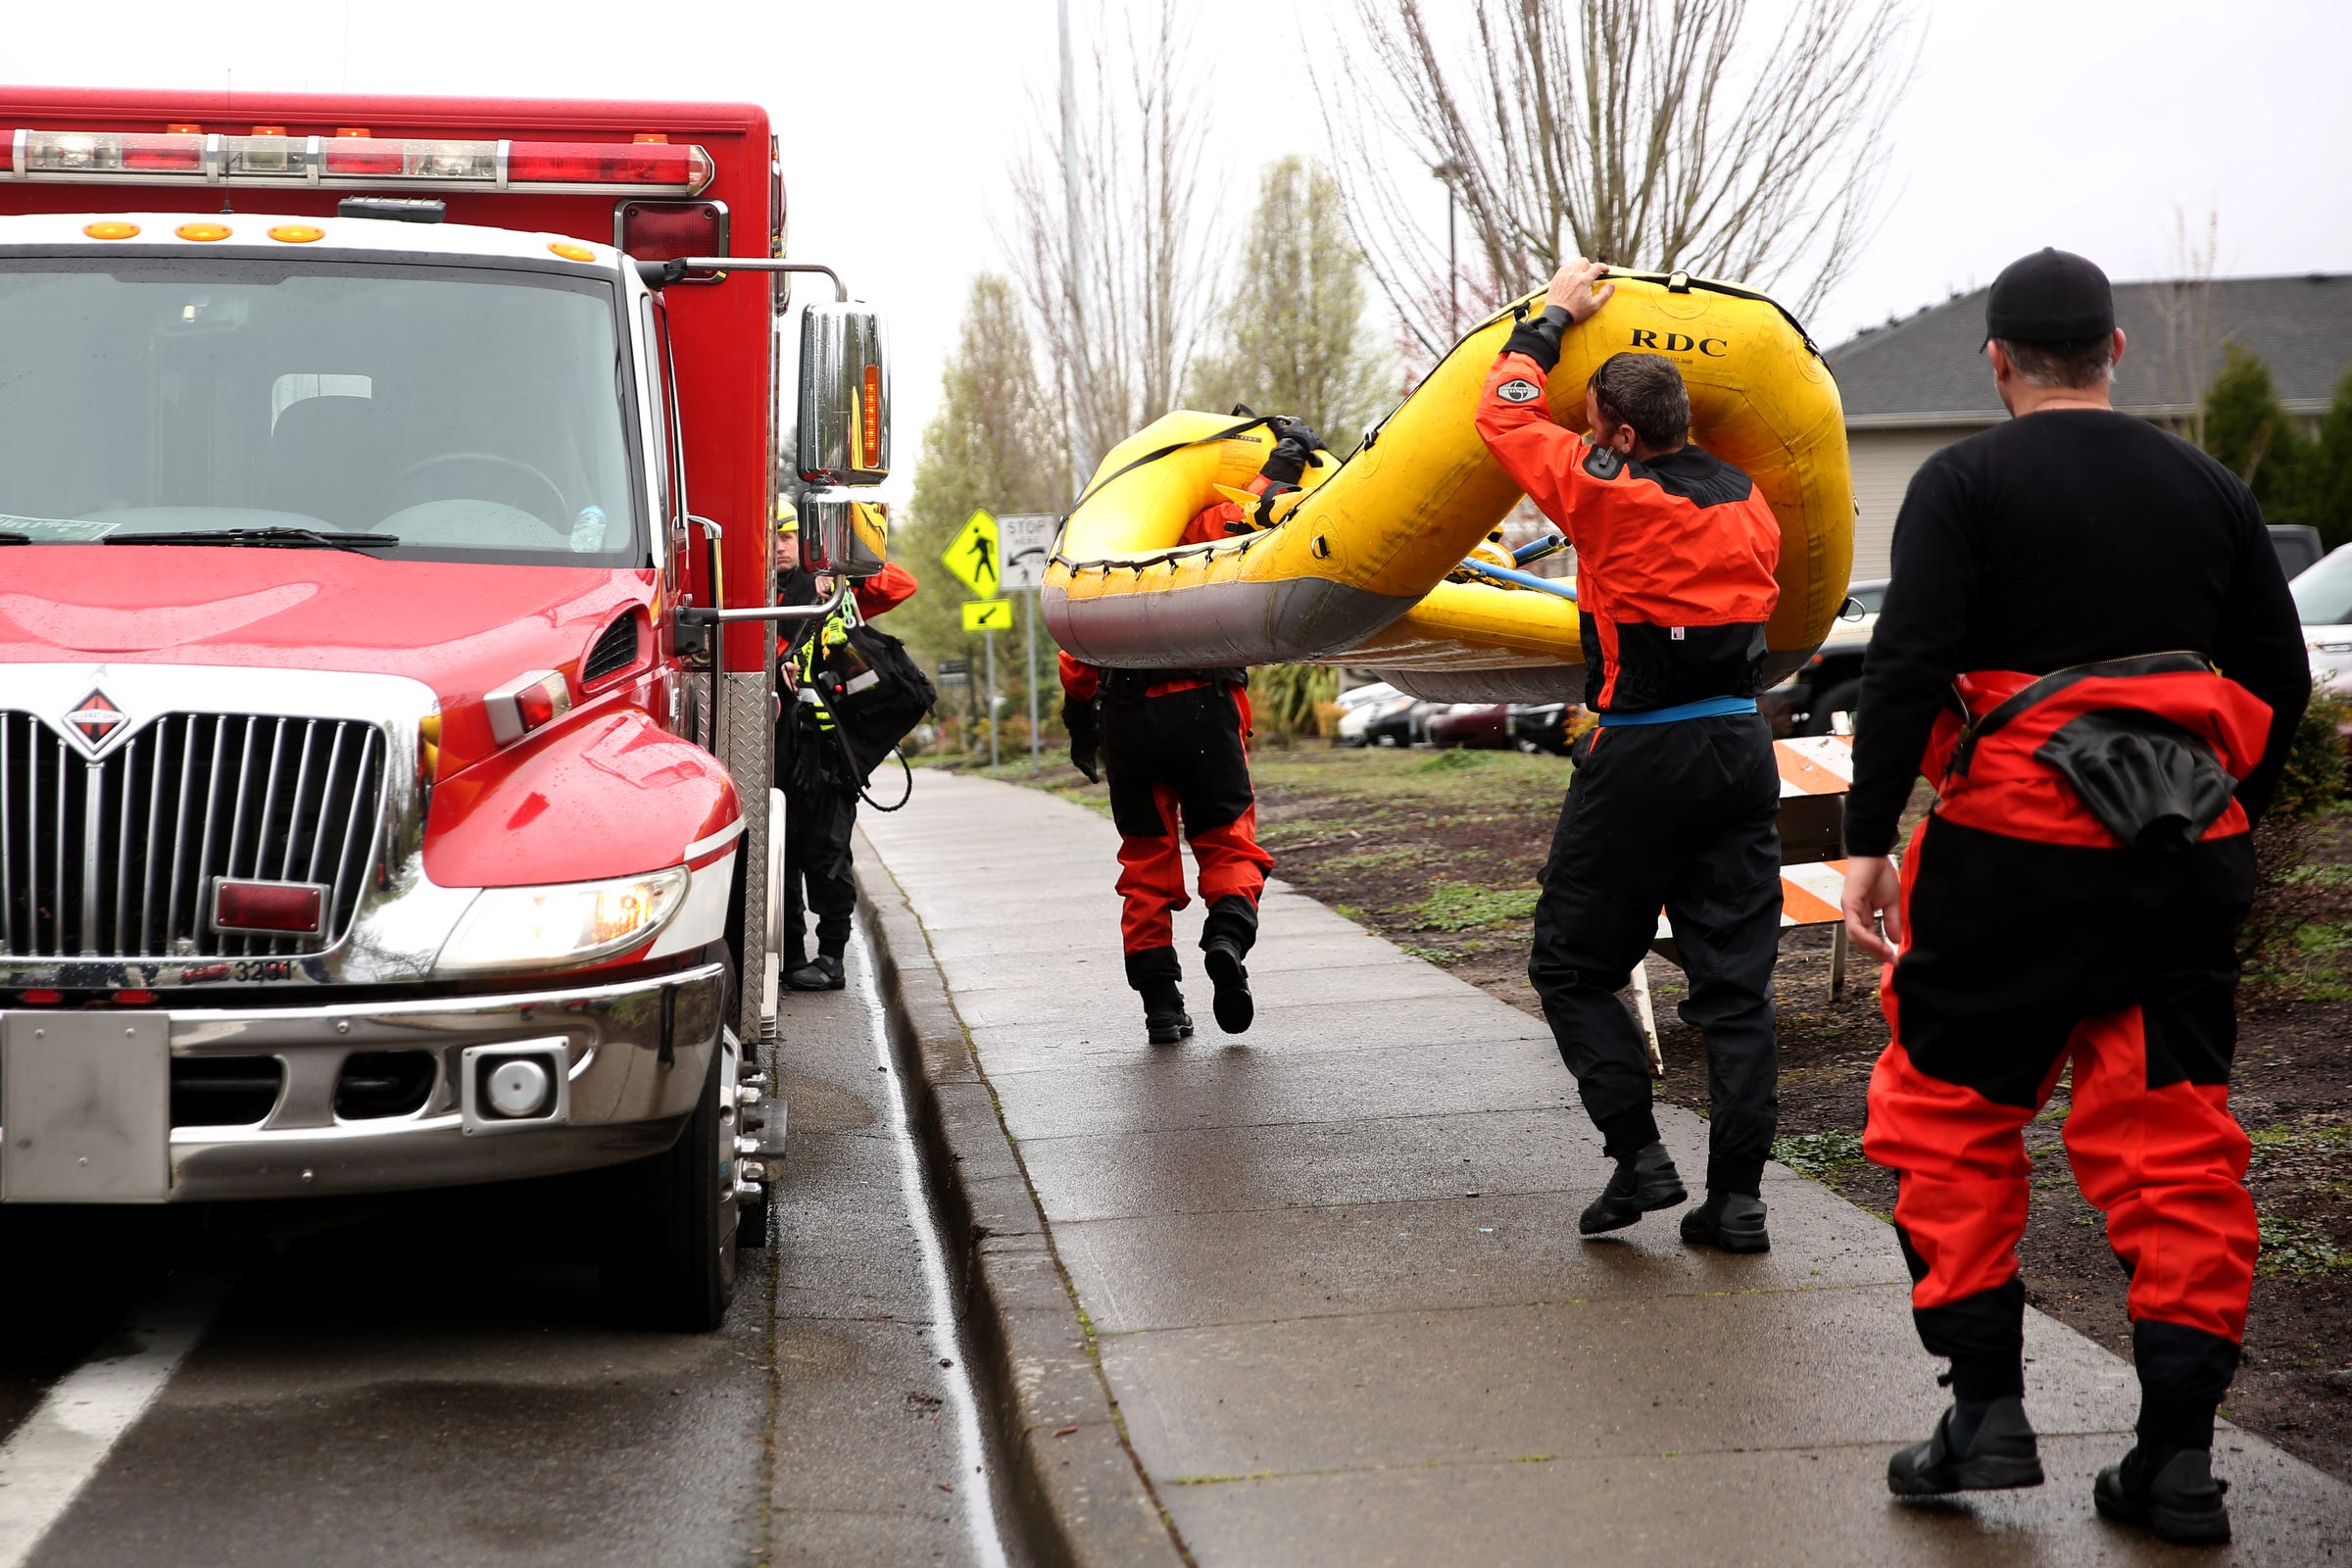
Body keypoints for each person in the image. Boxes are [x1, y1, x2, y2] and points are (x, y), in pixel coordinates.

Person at [1838, 248, 2309, 1543]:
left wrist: (1871, 836)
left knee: (1948, 1115)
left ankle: (1983, 1415)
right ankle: (2177, 1462)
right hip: (2181, 860)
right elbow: (2281, 677)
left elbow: (1908, 665)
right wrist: (2206, 815)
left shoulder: (1963, 482)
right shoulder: (2209, 485)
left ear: (1996, 362)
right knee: (2177, 1147)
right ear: (2115, 352)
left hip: (2006, 858)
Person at [1475, 259, 1785, 1253]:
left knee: (1568, 964)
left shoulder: (1602, 490)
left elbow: (1508, 413)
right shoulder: (1753, 502)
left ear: (1613, 431)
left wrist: (1554, 316)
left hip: (1641, 755)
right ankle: (1736, 1202)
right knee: (1736, 988)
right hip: (1741, 748)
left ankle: (1638, 1154)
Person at [1057, 422, 1317, 1041]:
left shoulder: (1093, 550)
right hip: (1203, 706)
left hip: (1127, 719)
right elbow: (1252, 517)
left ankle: (1162, 1007)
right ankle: (1226, 938)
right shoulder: (1193, 530)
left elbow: (1075, 653)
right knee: (1227, 842)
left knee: (1145, 861)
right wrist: (1287, 461)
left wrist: (1079, 721)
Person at [773, 502, 917, 991]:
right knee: (779, 855)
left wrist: (840, 565)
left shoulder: (829, 587)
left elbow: (900, 584)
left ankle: (831, 957)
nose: (778, 546)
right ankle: (790, 955)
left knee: (828, 851)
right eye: (769, 537)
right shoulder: (750, 594)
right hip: (773, 747)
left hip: (828, 753)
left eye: (788, 536)